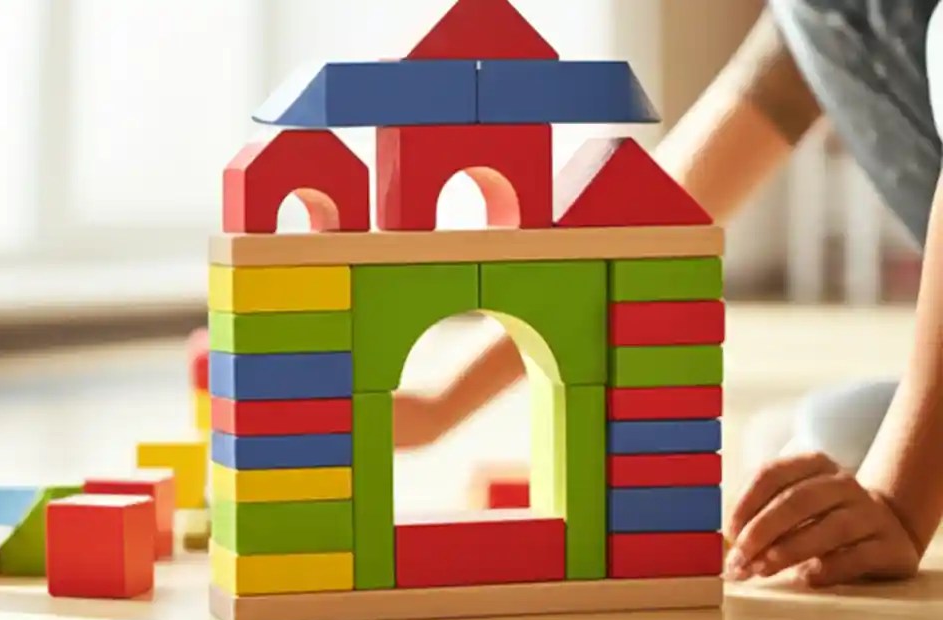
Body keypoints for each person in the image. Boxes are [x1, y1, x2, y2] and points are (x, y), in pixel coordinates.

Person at [394, 2, 943, 587]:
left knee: (846, 475)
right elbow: (653, 218)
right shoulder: (826, 15)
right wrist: (438, 406)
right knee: (814, 444)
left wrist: (897, 503)